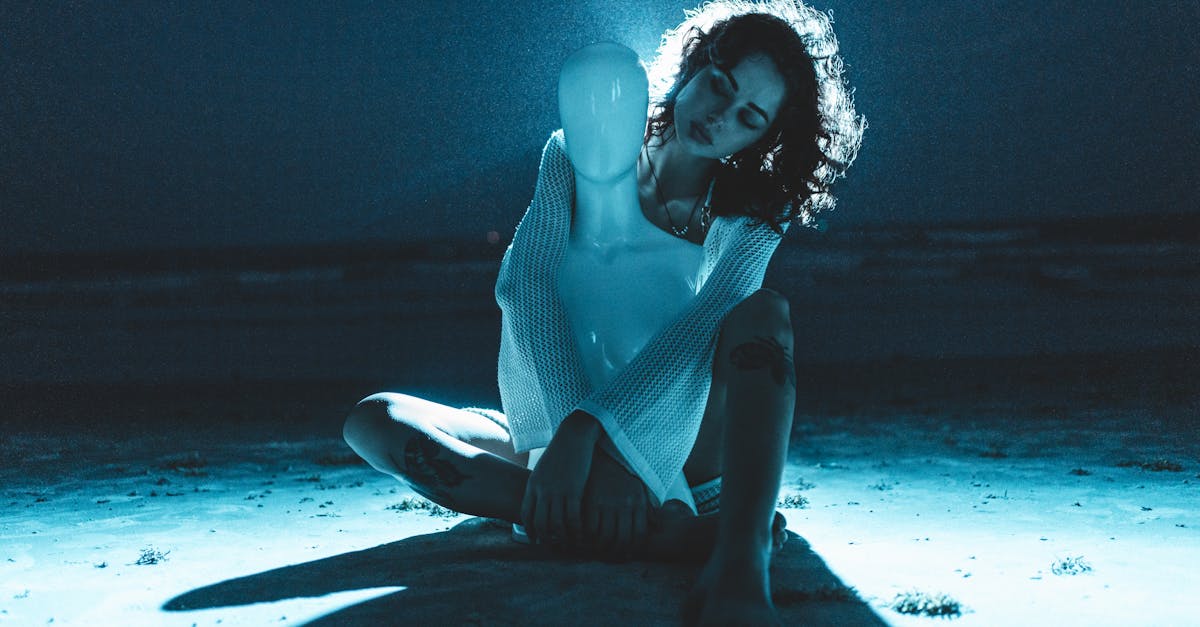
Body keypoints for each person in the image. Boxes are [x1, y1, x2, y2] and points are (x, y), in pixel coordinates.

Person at [343, 1, 864, 624]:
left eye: (748, 116)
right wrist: (570, 439)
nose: (721, 116)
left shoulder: (752, 209)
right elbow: (526, 288)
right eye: (720, 85)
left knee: (764, 314)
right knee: (374, 421)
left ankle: (739, 555)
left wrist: (600, 435)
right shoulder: (573, 152)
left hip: (681, 447)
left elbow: (703, 328)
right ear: (696, 64)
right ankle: (656, 535)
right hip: (556, 434)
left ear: (763, 137)